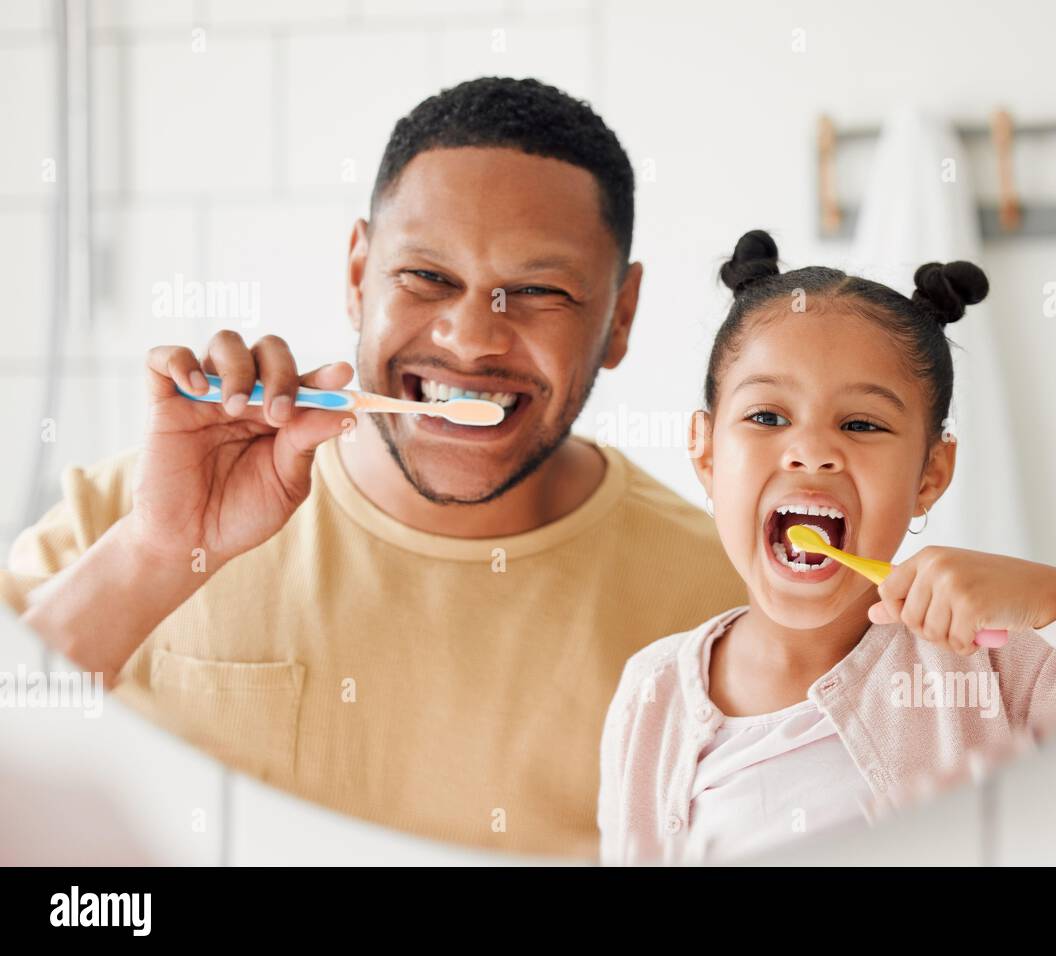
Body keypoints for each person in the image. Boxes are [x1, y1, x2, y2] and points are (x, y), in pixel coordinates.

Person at [1, 77, 747, 861]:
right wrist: (154, 556)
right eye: (427, 278)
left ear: (620, 316)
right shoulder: (126, 519)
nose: (470, 341)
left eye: (537, 291)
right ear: (359, 276)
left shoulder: (722, 605)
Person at [597, 230, 1056, 865]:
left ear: (930, 474)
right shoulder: (651, 693)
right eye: (767, 417)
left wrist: (1053, 599)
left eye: (861, 424)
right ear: (706, 451)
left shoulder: (1002, 669)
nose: (813, 450)